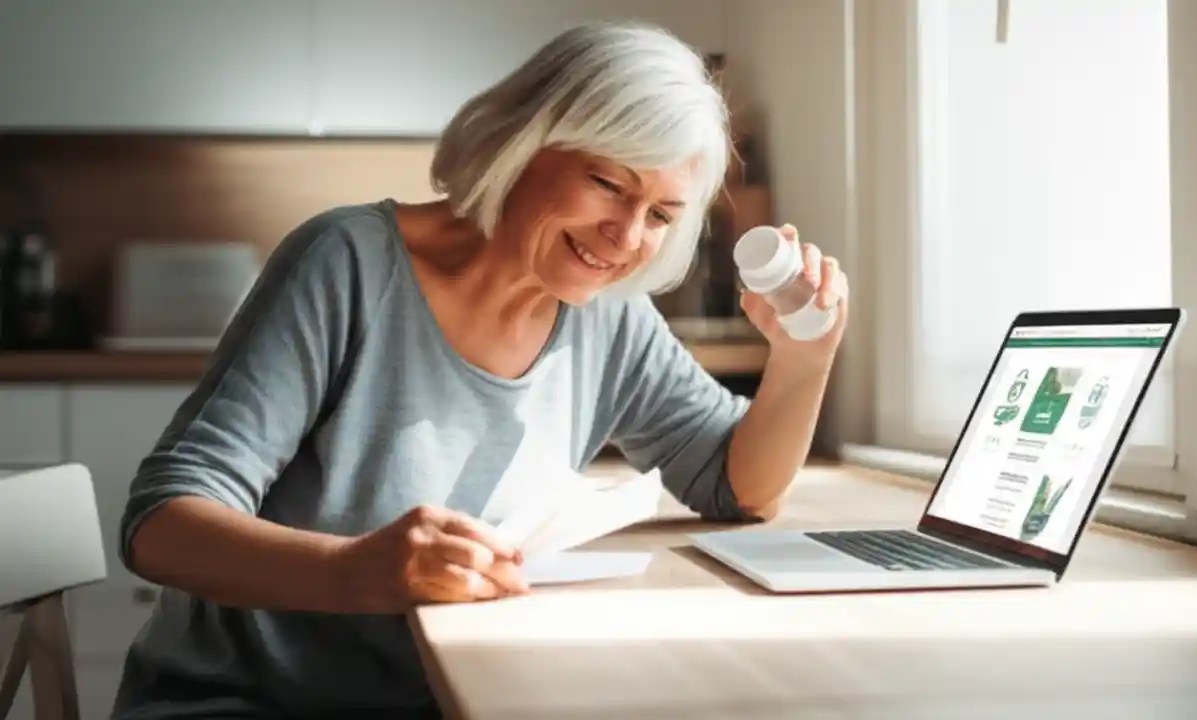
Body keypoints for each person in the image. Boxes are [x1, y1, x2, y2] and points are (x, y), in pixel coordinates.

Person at [110, 21, 848, 720]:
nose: (625, 237)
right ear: (525, 142)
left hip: (440, 697)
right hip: (250, 703)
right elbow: (161, 525)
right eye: (607, 183)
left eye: (660, 215)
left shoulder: (604, 311)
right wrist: (354, 572)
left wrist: (803, 357)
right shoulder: (348, 264)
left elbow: (739, 485)